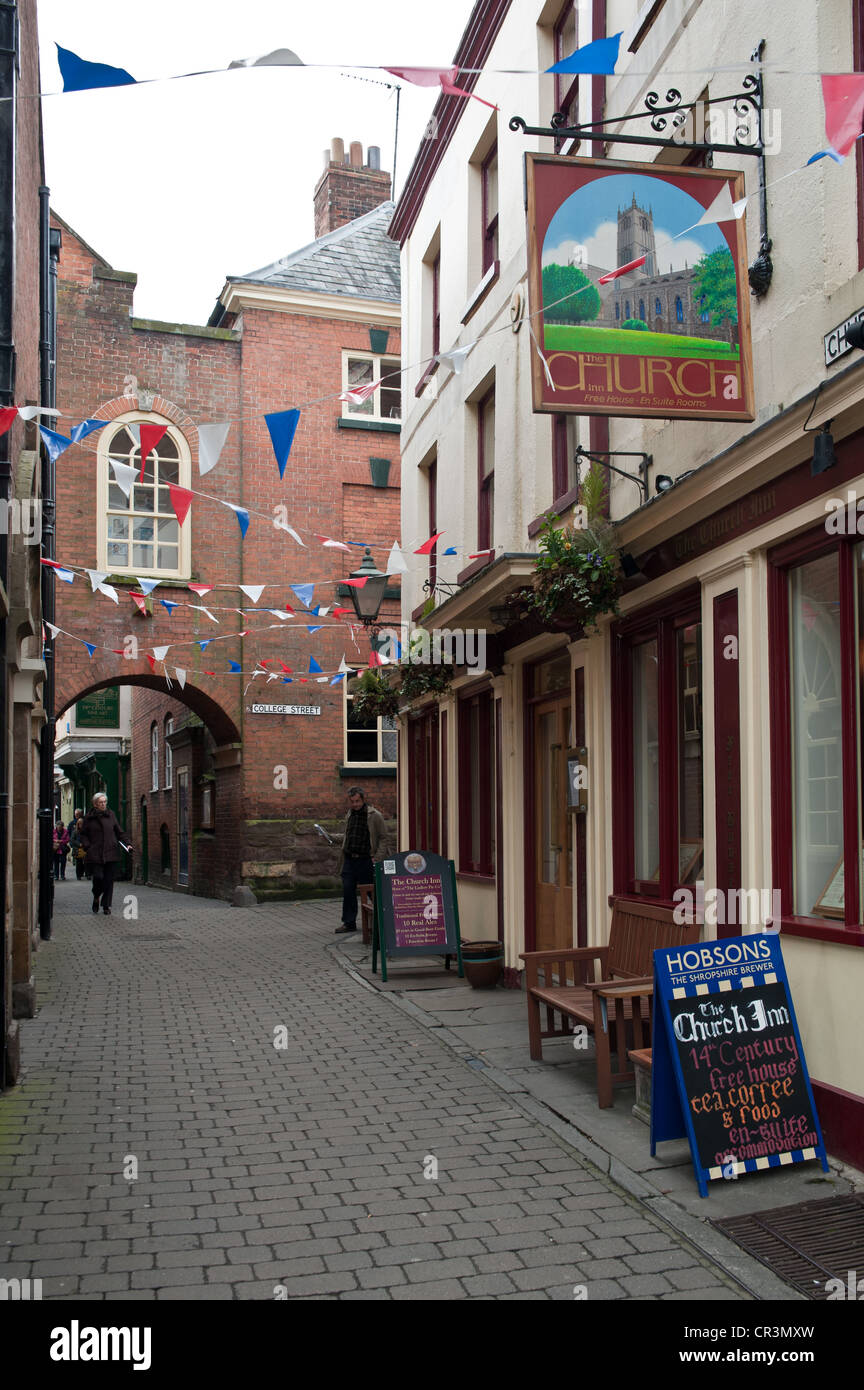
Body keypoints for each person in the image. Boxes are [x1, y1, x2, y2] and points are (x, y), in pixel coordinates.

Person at [335, 786, 387, 934]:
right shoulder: (350, 814)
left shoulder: (374, 815)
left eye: (357, 801)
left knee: (371, 892)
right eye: (352, 801)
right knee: (348, 890)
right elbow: (348, 836)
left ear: (363, 800)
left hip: (366, 860)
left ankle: (382, 921)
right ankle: (349, 922)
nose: (355, 804)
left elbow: (384, 838)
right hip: (350, 859)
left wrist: (377, 859)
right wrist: (330, 837)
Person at [80, 792, 129, 916]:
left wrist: (127, 843)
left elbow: (119, 831)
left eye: (104, 802)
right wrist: (87, 846)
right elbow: (83, 834)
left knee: (109, 880)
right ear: (95, 804)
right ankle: (96, 896)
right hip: (95, 853)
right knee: (98, 878)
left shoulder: (111, 815)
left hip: (111, 852)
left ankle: (106, 905)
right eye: (101, 802)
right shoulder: (88, 818)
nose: (103, 804)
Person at [68, 809, 86, 881]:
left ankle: (87, 874)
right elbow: (72, 839)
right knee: (79, 863)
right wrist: (78, 844)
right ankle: (79, 875)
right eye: (80, 824)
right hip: (77, 849)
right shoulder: (74, 831)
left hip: (85, 848)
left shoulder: (86, 831)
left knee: (86, 862)